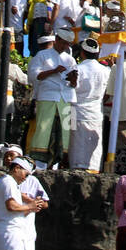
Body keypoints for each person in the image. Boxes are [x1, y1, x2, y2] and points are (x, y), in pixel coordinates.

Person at [27, 29, 78, 169]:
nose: (65, 47)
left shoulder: (70, 59)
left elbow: (75, 85)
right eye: (63, 43)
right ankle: (39, 164)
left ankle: (56, 164)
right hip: (48, 95)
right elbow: (33, 75)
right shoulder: (42, 55)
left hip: (67, 98)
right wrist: (54, 71)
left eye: (67, 44)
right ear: (56, 39)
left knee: (64, 131)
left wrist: (73, 79)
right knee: (44, 130)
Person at [69, 37, 109, 172]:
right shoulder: (106, 70)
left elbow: (69, 88)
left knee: (77, 145)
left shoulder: (77, 69)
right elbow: (108, 92)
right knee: (93, 147)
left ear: (82, 52)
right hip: (96, 112)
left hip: (78, 111)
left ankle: (78, 169)